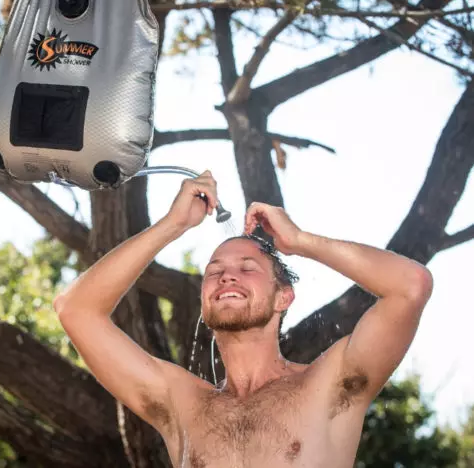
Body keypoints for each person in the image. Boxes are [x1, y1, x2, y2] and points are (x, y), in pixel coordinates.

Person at [53, 171, 433, 467]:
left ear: (284, 297)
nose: (226, 275)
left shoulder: (329, 384)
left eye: (247, 267)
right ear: (204, 302)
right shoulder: (180, 404)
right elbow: (75, 310)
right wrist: (173, 225)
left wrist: (300, 241)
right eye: (214, 269)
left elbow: (410, 286)